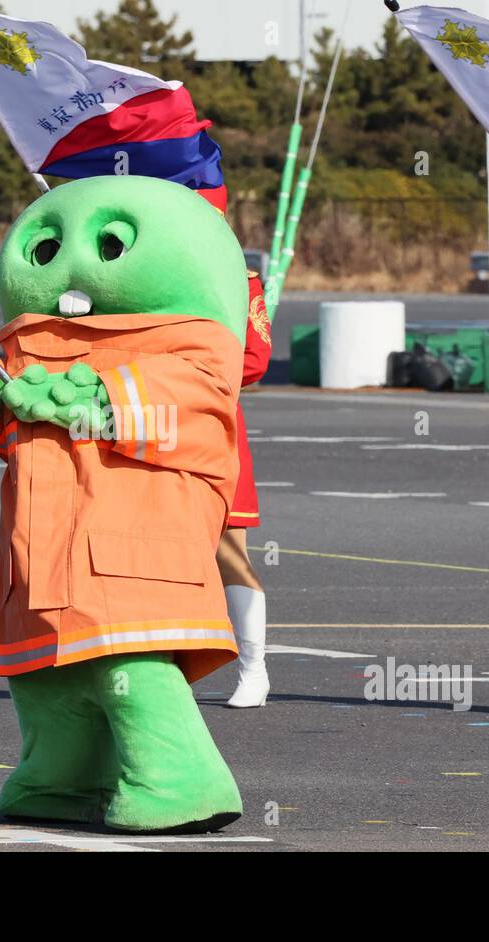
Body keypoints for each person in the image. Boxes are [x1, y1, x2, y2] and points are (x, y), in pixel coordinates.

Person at [218, 270, 273, 707]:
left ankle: (254, 669)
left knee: (228, 550)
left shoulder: (236, 276)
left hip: (209, 421)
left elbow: (254, 358)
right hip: (136, 417)